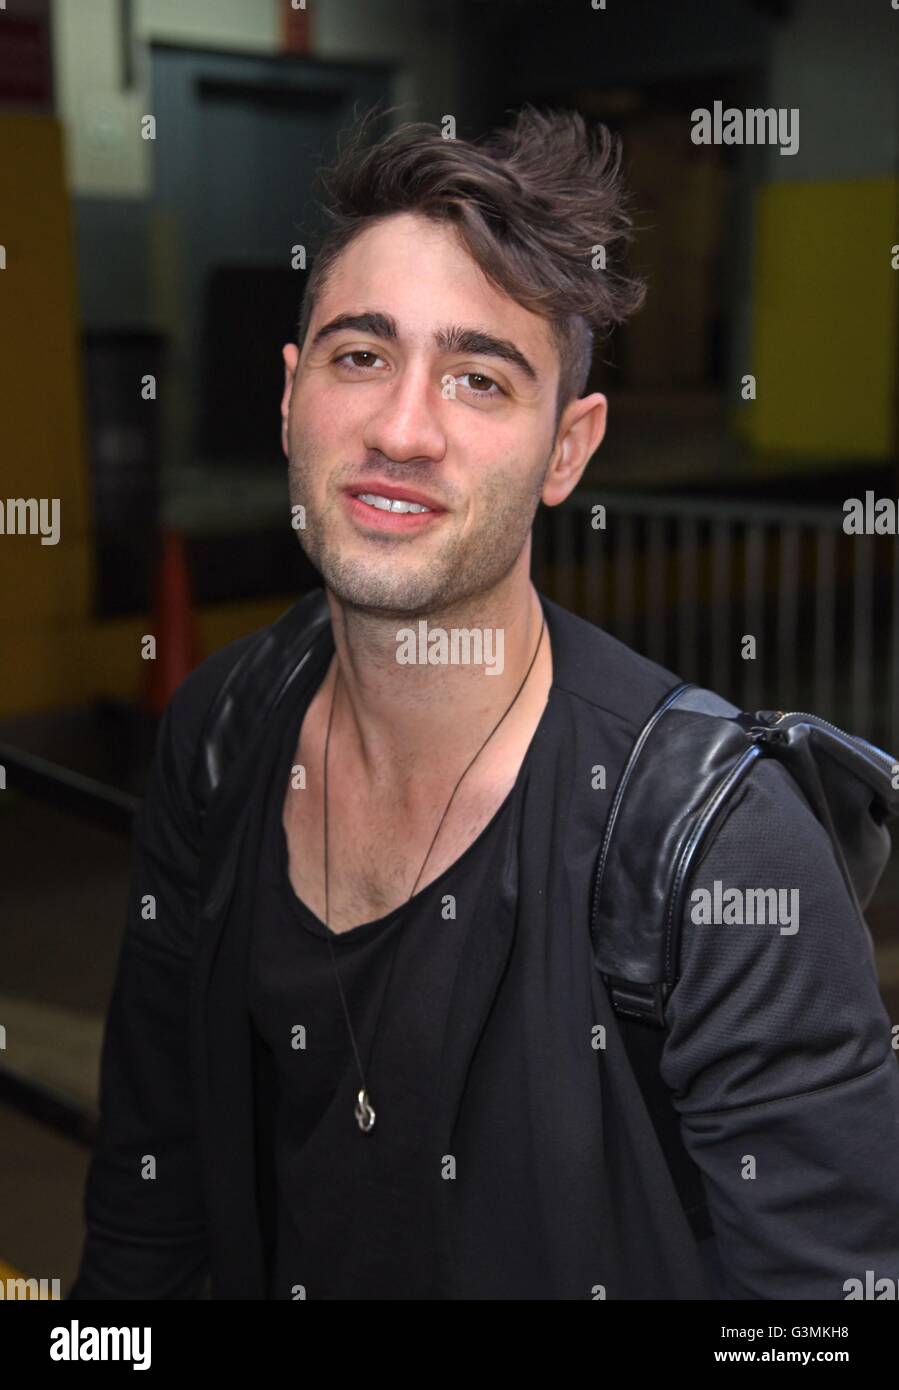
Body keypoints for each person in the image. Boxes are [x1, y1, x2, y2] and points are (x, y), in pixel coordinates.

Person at [70, 106, 899, 1300]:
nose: (403, 429)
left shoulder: (711, 848)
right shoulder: (221, 730)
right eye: (361, 356)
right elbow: (150, 1204)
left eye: (477, 377)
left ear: (567, 450)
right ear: (294, 398)